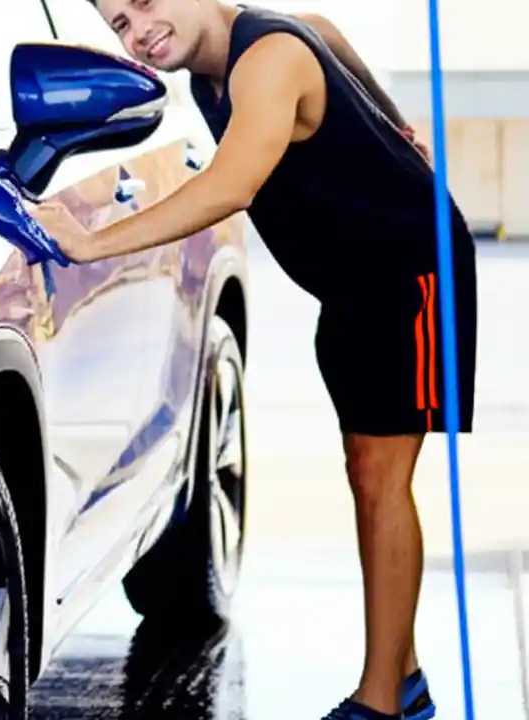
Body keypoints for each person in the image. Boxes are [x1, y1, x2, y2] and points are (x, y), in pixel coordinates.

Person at [27, 2, 478, 719]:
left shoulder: (266, 61)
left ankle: (384, 702)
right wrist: (396, 124)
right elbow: (323, 27)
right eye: (118, 23)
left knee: (379, 479)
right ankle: (406, 678)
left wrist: (88, 243)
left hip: (408, 269)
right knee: (366, 473)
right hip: (352, 286)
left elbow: (229, 186)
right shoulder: (230, 56)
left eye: (143, 3)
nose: (137, 30)